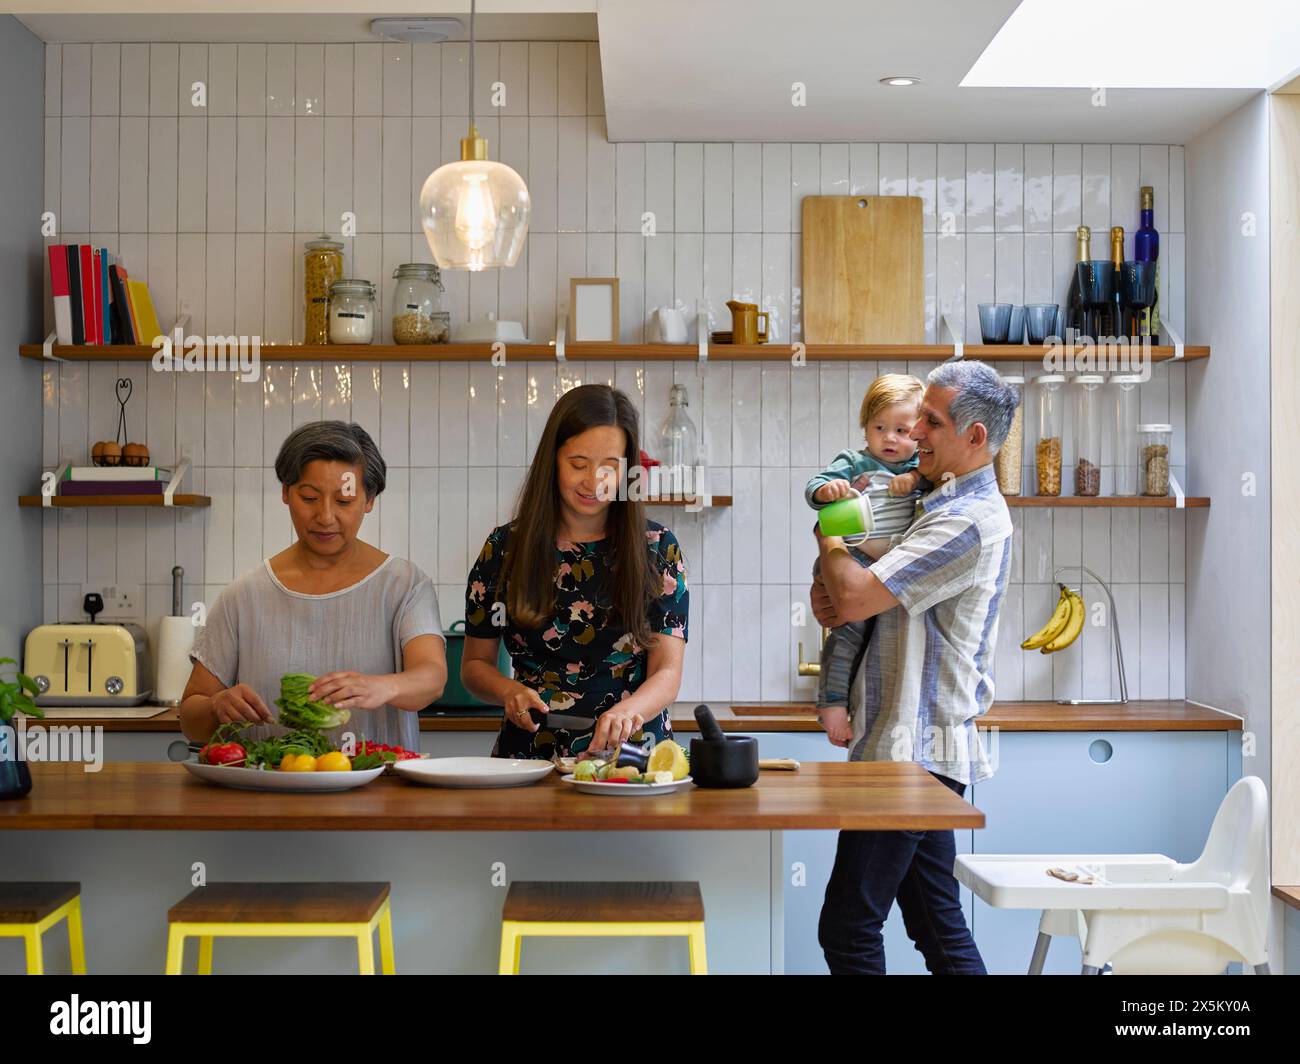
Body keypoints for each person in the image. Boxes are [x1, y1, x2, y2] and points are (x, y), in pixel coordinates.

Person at [810, 360, 1018, 975]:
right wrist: (840, 582)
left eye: (931, 419)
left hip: (911, 754)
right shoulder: (932, 503)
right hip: (910, 750)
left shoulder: (964, 521)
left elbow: (849, 595)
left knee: (847, 927)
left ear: (974, 436)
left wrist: (829, 533)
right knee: (935, 924)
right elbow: (844, 599)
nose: (915, 430)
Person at [181, 421, 447, 751]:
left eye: (344, 501)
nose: (324, 516)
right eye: (309, 497)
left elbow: (432, 677)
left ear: (369, 500)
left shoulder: (405, 585)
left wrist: (383, 687)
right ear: (285, 493)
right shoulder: (243, 596)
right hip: (269, 791)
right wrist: (215, 706)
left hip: (379, 793)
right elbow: (191, 717)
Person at [460, 384, 688, 759]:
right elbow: (474, 665)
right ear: (553, 461)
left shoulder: (658, 548)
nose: (593, 481)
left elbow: (667, 673)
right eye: (578, 464)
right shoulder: (505, 548)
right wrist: (508, 691)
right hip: (531, 756)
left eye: (610, 466)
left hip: (632, 756)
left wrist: (628, 711)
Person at [804, 373, 928, 747]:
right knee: (847, 637)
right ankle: (832, 704)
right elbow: (813, 490)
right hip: (853, 556)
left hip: (884, 568)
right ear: (865, 427)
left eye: (903, 431)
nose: (890, 438)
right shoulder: (854, 462)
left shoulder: (921, 466)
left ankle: (850, 703)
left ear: (919, 433)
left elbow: (933, 481)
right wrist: (829, 490)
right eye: (880, 427)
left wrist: (915, 479)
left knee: (875, 639)